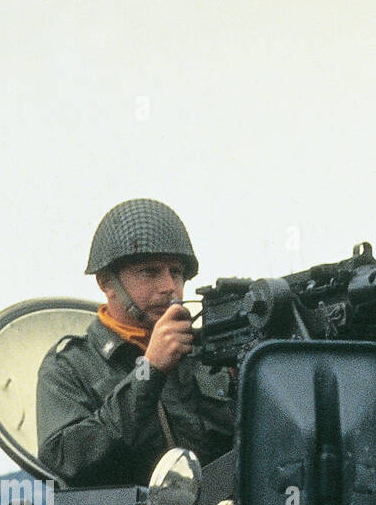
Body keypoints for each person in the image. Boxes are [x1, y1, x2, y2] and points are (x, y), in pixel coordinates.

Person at [37, 199, 235, 488]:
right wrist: (150, 370)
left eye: (176, 272)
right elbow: (68, 459)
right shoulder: (70, 365)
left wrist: (246, 384)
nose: (169, 286)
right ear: (107, 283)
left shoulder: (203, 355)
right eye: (150, 272)